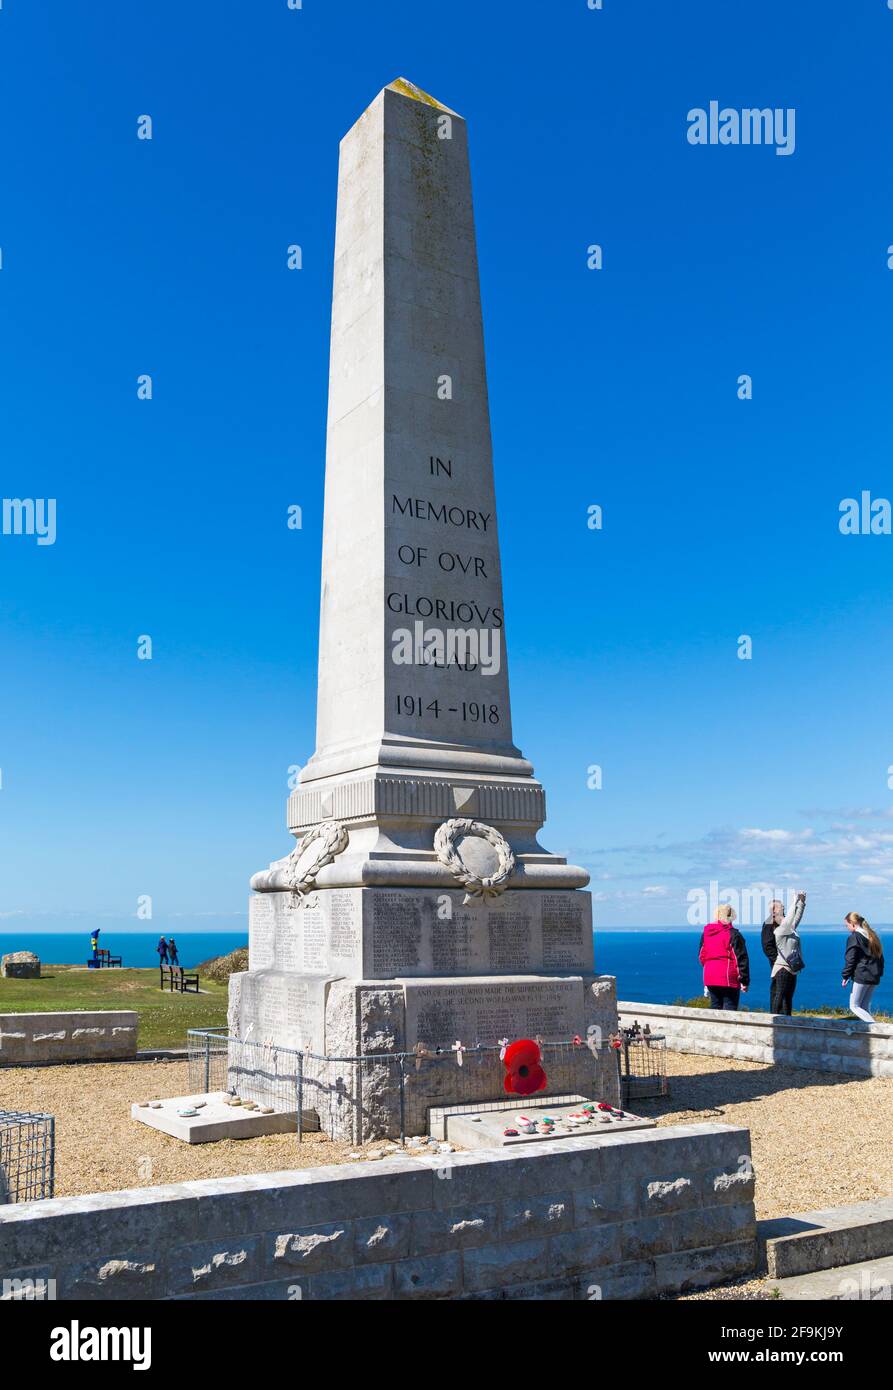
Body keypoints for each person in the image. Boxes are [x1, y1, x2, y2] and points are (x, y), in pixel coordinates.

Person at [699, 904, 750, 1010]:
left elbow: (701, 955)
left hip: (710, 975)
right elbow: (740, 958)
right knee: (729, 1008)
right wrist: (744, 980)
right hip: (727, 977)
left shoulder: (706, 933)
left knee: (715, 1007)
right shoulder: (733, 934)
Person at [762, 892, 806, 1015]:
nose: (783, 908)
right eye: (781, 906)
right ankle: (775, 1018)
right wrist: (776, 959)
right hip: (781, 965)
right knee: (779, 994)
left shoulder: (786, 925)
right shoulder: (773, 926)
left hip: (791, 966)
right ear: (774, 910)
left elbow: (795, 918)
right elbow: (767, 945)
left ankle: (786, 1019)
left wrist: (801, 902)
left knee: (787, 996)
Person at [842, 913, 884, 1022]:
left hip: (862, 975)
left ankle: (876, 1028)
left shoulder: (854, 937)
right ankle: (868, 1032)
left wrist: (845, 976)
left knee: (854, 1006)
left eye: (847, 925)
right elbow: (880, 957)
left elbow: (851, 959)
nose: (847, 928)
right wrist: (879, 973)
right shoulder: (872, 935)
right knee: (864, 1007)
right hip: (874, 976)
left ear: (853, 924)